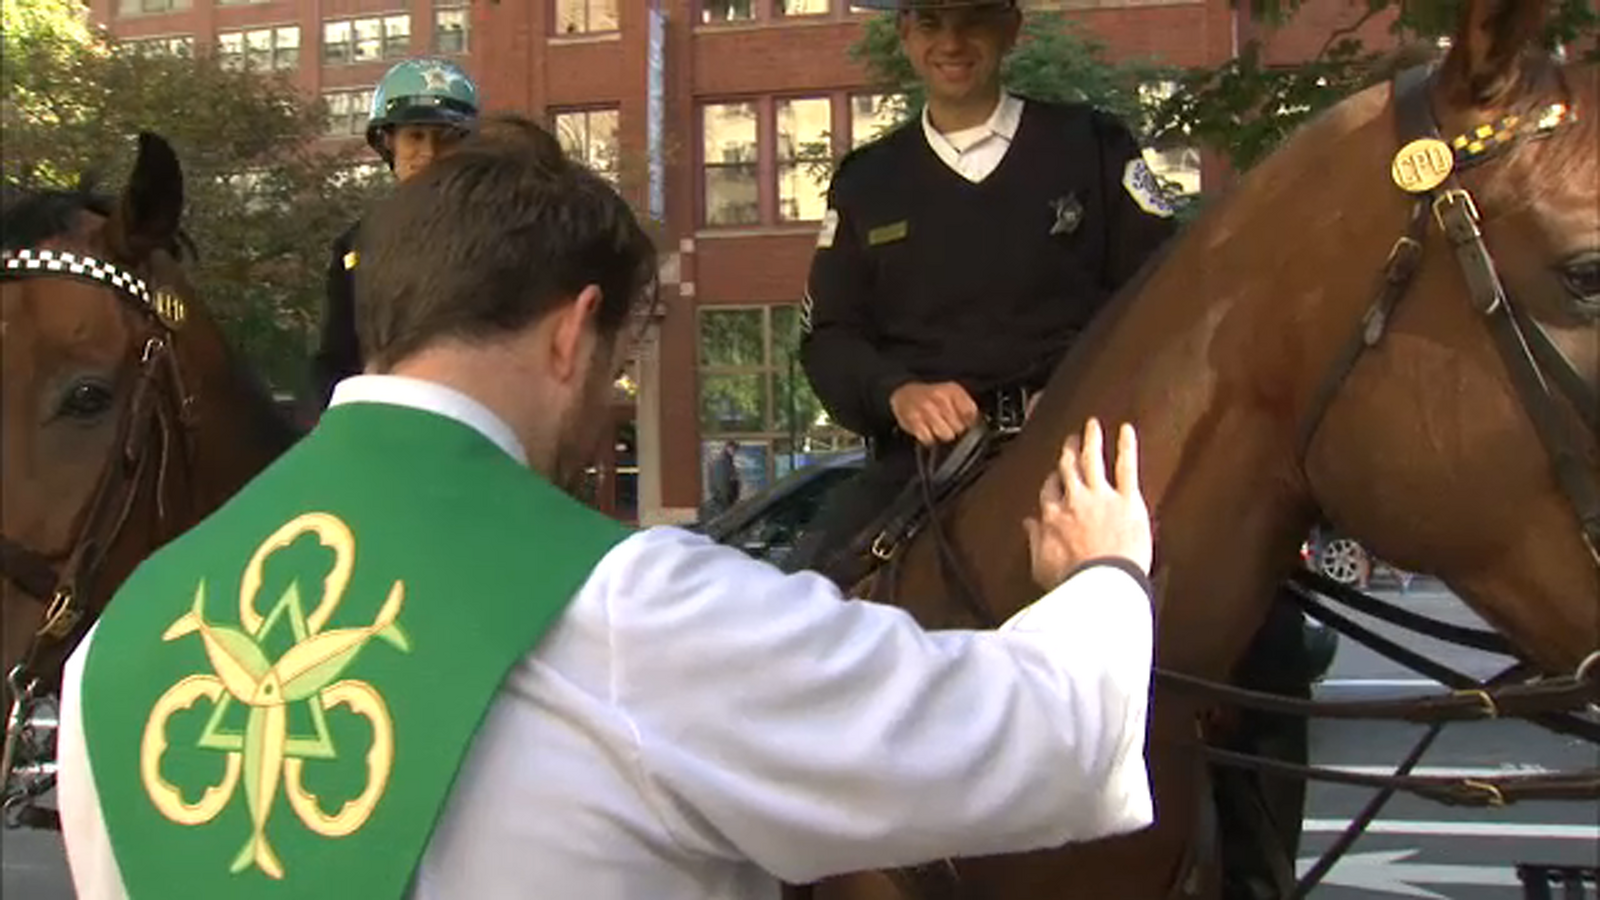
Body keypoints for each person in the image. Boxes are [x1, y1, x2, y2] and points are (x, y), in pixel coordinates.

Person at [56, 116, 1158, 900]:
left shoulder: (115, 650)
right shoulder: (638, 611)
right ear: (573, 330)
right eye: (618, 361)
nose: (609, 403)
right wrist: (1103, 575)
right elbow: (1047, 739)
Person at [788, 0, 1179, 572]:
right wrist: (896, 393)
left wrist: (1083, 390)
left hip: (1085, 454)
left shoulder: (1092, 144)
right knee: (806, 597)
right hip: (921, 471)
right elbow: (829, 336)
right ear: (904, 33)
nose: (951, 43)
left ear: (1010, 29)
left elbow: (1163, 292)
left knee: (1234, 598)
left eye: (972, 21)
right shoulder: (866, 181)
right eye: (930, 23)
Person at [307, 56, 484, 412]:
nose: (429, 153)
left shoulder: (497, 234)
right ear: (388, 142)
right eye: (415, 136)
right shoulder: (356, 245)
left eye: (446, 138)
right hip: (378, 423)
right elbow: (336, 359)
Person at [706, 439, 742, 516]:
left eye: (735, 449)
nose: (734, 451)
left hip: (726, 500)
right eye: (733, 448)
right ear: (727, 447)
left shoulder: (728, 461)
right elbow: (721, 483)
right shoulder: (722, 461)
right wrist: (727, 502)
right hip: (723, 502)